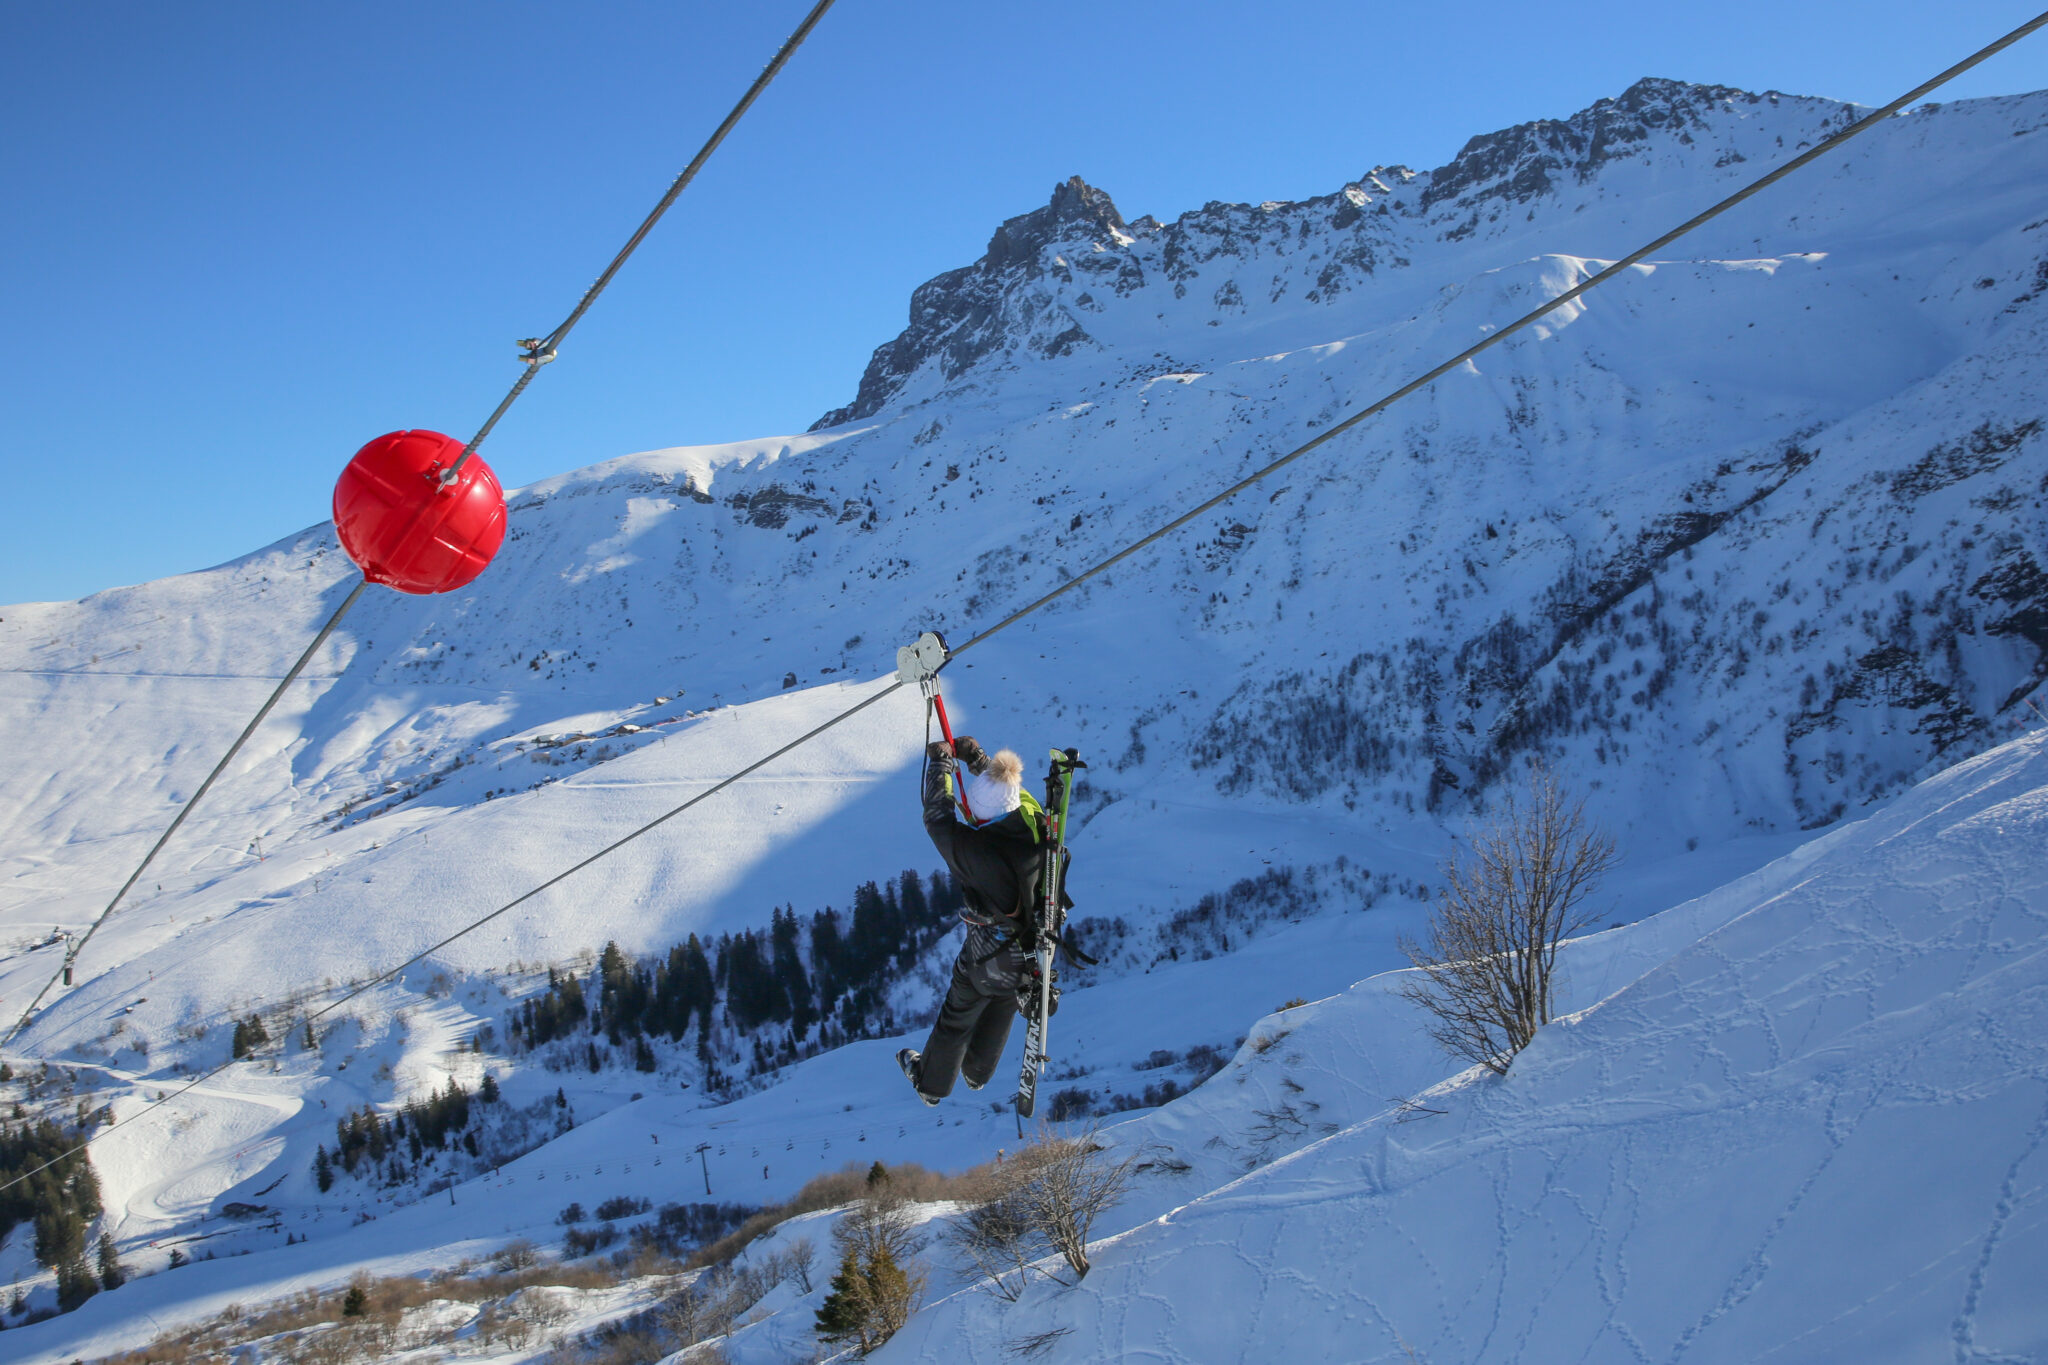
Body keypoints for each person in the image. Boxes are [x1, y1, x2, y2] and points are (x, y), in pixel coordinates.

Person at [897, 735, 1047, 1105]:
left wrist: (941, 766)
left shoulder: (981, 856)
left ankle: (931, 1084)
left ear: (984, 819)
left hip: (989, 955)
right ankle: (977, 1072)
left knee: (960, 1009)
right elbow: (1009, 790)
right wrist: (978, 760)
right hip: (1031, 952)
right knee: (1004, 997)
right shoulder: (1033, 821)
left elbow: (938, 820)